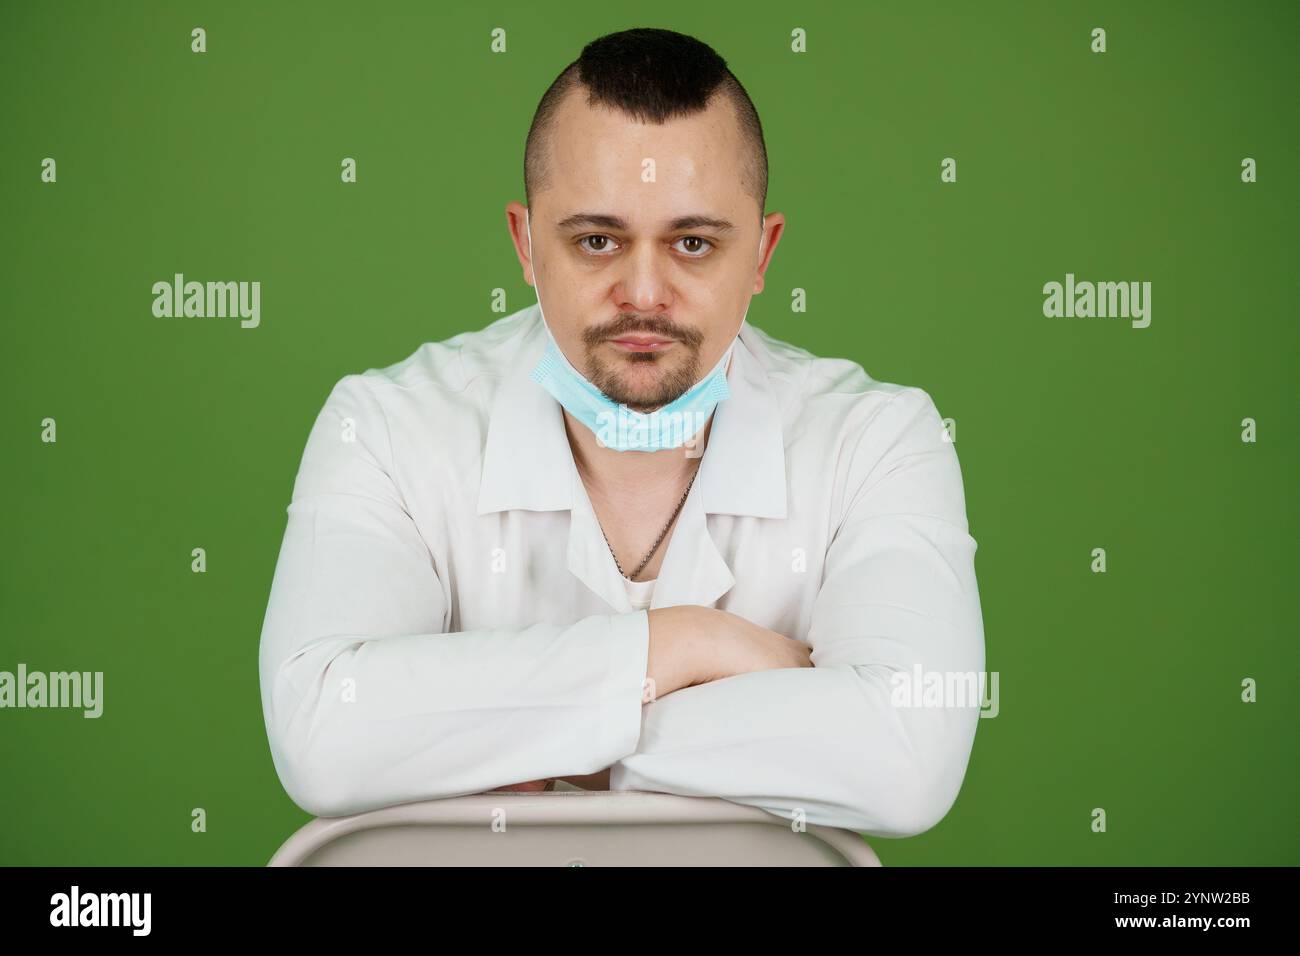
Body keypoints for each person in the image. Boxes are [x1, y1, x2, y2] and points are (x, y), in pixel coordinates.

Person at [257, 27, 985, 836]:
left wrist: (527, 738)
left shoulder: (877, 440)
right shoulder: (386, 427)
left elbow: (905, 760)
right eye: (597, 240)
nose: (643, 292)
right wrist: (686, 644)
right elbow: (325, 734)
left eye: (694, 243)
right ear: (527, 245)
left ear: (763, 254)